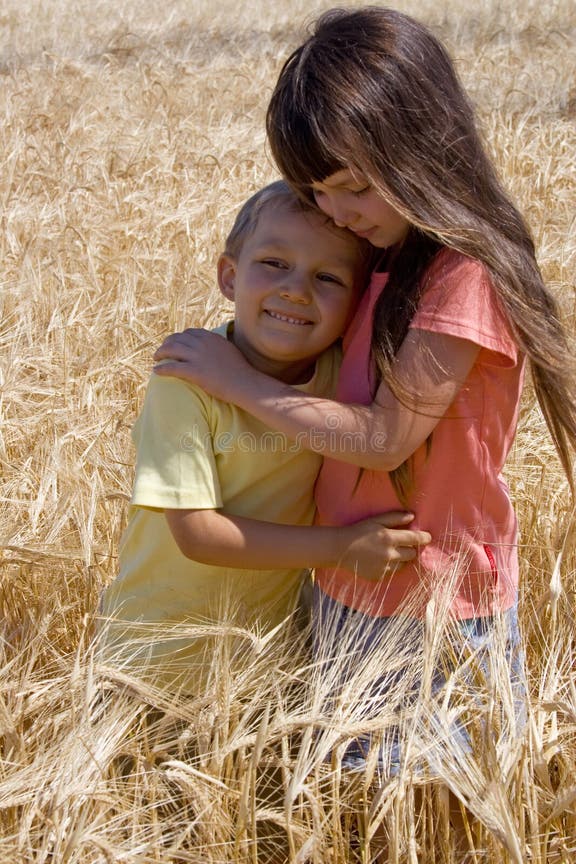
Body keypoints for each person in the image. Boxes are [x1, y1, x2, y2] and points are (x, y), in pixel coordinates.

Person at [152, 5, 576, 855]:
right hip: (346, 579)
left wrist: (233, 381)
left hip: (435, 601)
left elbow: (386, 437)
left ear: (419, 145)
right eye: (316, 193)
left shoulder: (465, 277)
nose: (336, 212)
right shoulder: (384, 256)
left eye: (351, 185)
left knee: (445, 809)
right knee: (371, 804)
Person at [99, 179, 430, 694]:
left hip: (269, 657)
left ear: (358, 306)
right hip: (155, 656)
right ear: (229, 276)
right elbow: (198, 535)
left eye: (328, 277)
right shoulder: (187, 379)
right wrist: (343, 548)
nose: (296, 290)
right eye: (274, 264)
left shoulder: (344, 375)